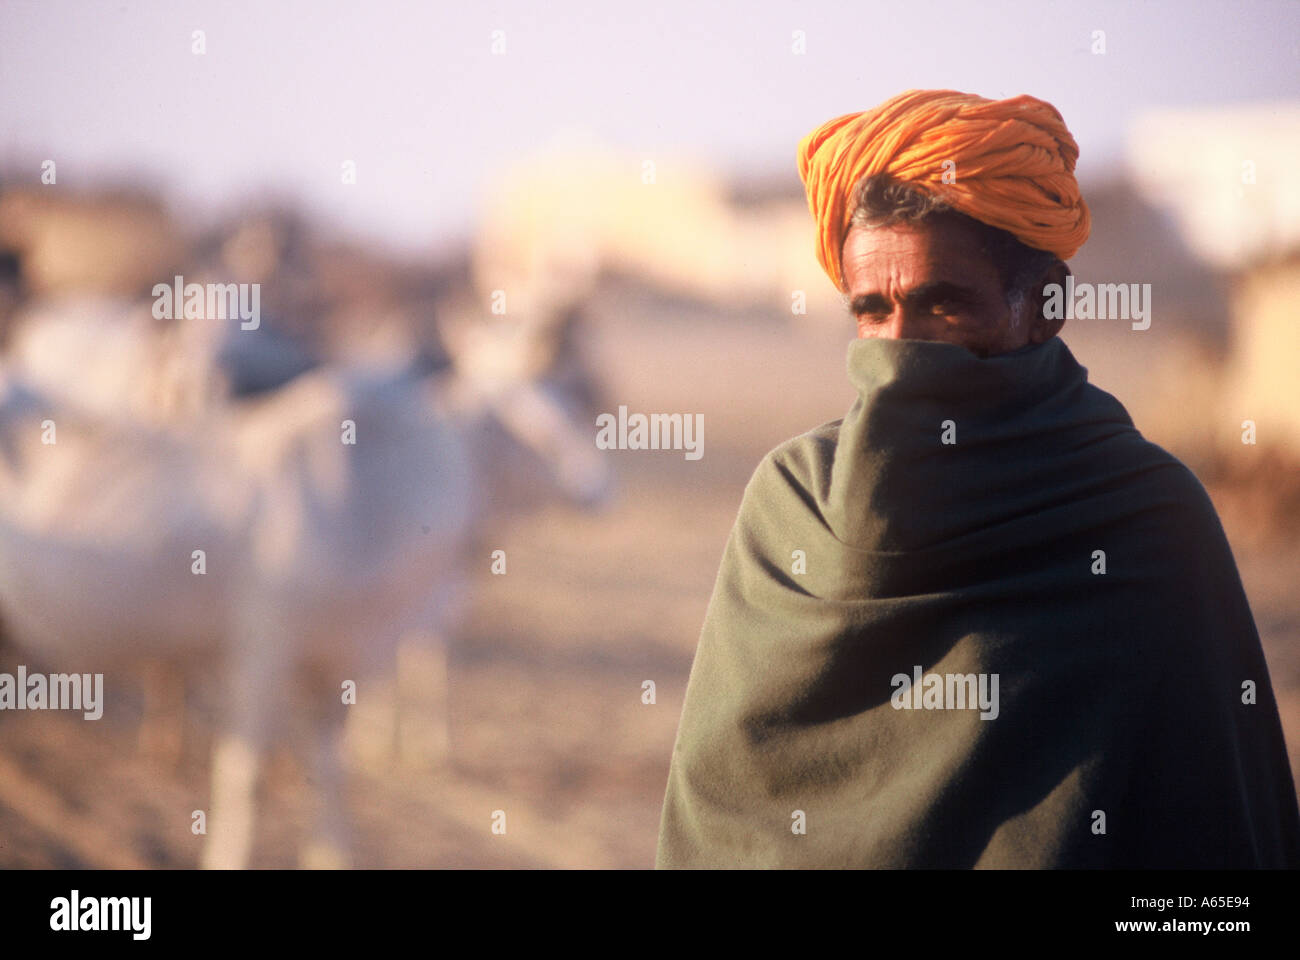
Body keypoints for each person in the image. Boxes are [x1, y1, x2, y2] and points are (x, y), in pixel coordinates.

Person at [656, 89, 1300, 868]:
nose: (900, 349)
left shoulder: (1144, 519)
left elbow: (1214, 861)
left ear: (1045, 307)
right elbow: (716, 814)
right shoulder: (792, 501)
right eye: (872, 312)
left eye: (942, 309)